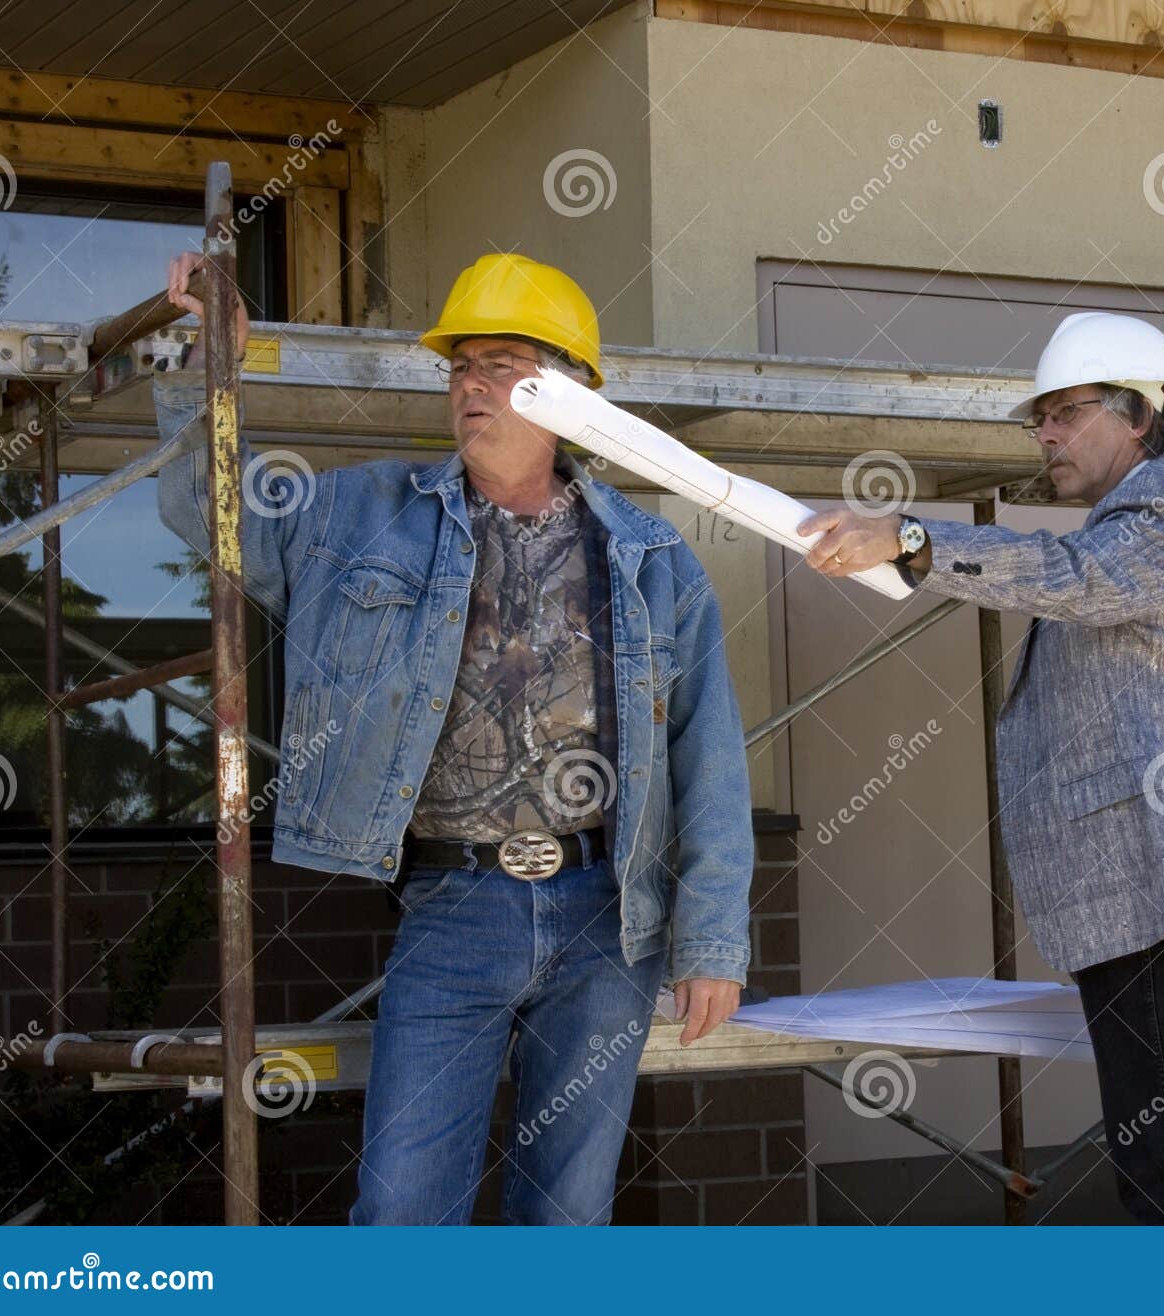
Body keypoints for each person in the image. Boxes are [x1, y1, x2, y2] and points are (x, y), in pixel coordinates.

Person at [156, 250, 753, 1224]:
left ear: (567, 392)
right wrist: (206, 362)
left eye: (499, 363)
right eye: (458, 365)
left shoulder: (650, 557)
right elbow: (204, 508)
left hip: (607, 917)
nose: (468, 385)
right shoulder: (363, 516)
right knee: (400, 1214)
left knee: (563, 1221)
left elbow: (709, 756)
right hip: (453, 902)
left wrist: (715, 939)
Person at [796, 312, 1164, 1224]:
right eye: (1041, 419)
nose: (1047, 434)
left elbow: (1071, 575)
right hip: (1142, 891)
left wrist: (908, 539)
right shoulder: (1141, 519)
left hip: (1156, 886)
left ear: (1138, 414)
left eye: (1066, 412)